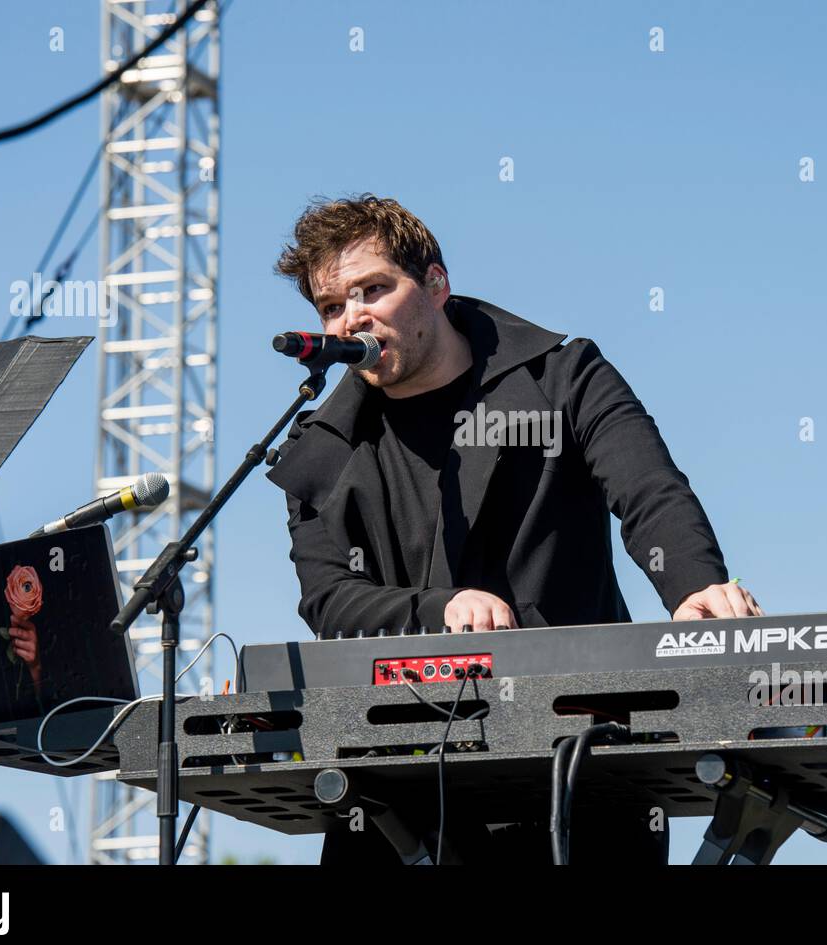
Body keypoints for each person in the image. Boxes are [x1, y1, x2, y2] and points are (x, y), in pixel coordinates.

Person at [266, 194, 764, 863]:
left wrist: (695, 585)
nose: (352, 316)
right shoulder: (322, 446)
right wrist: (439, 610)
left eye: (373, 289)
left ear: (436, 285)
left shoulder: (564, 376)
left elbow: (649, 490)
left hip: (579, 777)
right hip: (393, 797)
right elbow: (329, 599)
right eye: (332, 306)